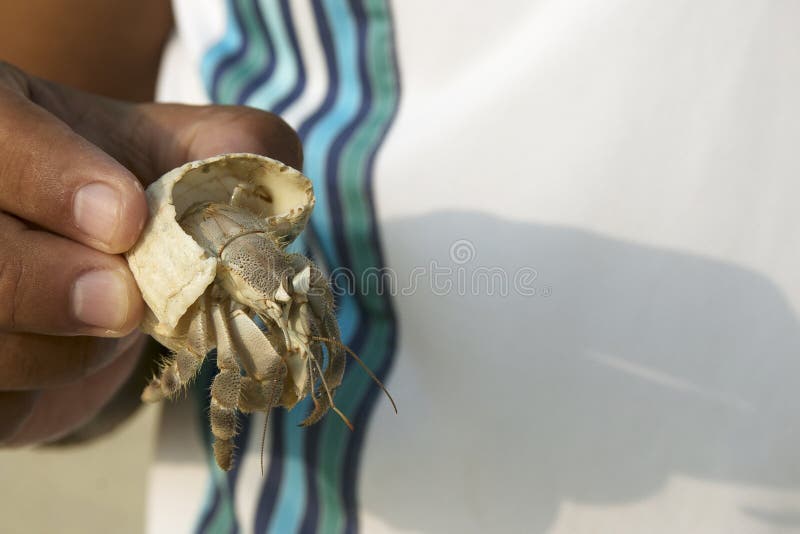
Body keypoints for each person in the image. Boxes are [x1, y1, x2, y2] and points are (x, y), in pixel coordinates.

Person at [3, 2, 800, 533]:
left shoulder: (293, 285)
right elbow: (62, 136)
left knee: (294, 299)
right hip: (329, 503)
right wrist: (79, 333)